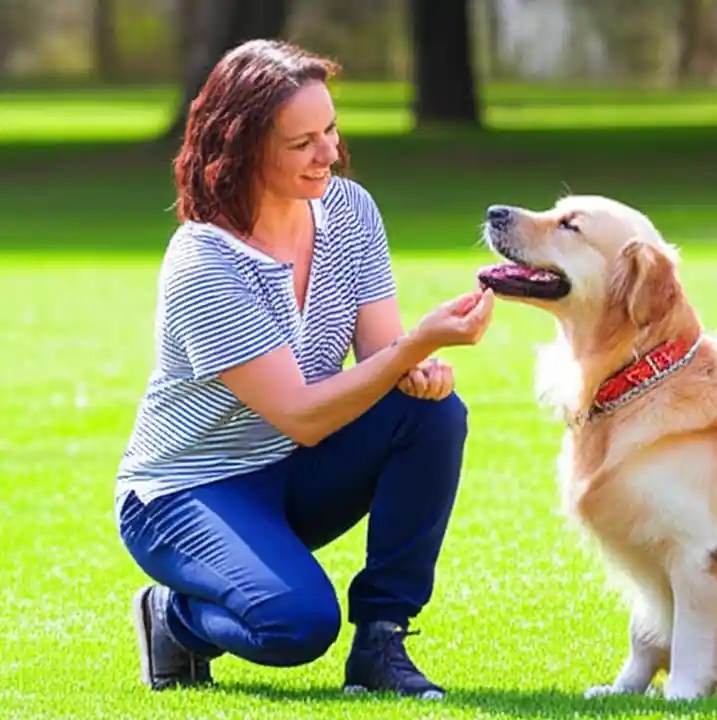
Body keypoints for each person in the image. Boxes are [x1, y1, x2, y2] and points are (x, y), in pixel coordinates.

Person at [114, 39, 494, 699]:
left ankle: (382, 641)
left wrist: (419, 370)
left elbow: (381, 358)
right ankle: (172, 618)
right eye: (301, 143)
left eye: (331, 130)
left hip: (292, 467)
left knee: (431, 415)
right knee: (295, 626)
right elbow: (299, 413)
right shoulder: (205, 261)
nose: (329, 153)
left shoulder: (350, 211)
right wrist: (415, 347)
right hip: (187, 491)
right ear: (242, 147)